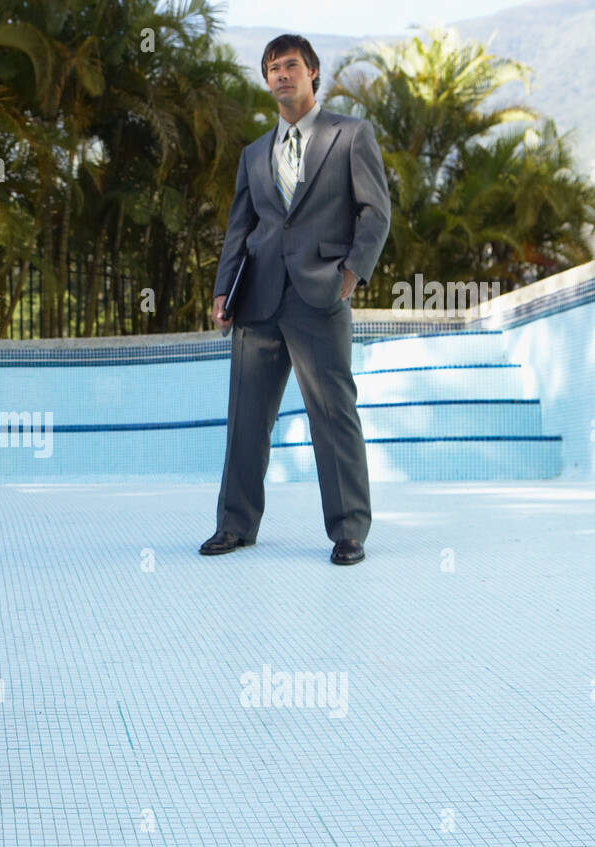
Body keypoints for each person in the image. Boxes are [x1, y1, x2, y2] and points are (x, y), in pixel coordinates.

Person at [202, 34, 390, 565]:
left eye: (290, 66)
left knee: (332, 413)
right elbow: (241, 227)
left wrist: (352, 272)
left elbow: (375, 211)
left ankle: (348, 531)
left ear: (312, 73)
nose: (280, 75)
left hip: (320, 295)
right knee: (245, 419)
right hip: (257, 301)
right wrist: (223, 290)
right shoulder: (253, 154)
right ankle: (235, 525)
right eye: (272, 69)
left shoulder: (350, 135)